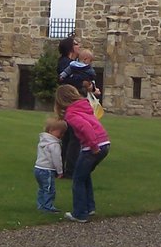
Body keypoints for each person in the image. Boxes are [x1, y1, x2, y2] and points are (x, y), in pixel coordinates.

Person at [54, 84, 110, 223]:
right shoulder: (84, 107)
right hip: (105, 143)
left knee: (77, 179)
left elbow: (86, 128)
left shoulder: (71, 114)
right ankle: (89, 207)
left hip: (93, 146)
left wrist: (93, 145)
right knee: (85, 176)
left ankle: (80, 213)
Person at [56, 36, 82, 176]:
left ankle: (63, 168)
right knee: (73, 137)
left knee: (69, 137)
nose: (79, 46)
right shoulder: (65, 63)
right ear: (70, 48)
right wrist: (83, 82)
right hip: (69, 104)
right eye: (76, 44)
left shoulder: (72, 63)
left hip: (72, 104)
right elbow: (66, 79)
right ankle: (69, 170)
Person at [34, 117, 67, 213]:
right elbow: (57, 159)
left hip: (38, 168)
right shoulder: (54, 144)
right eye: (60, 132)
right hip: (47, 170)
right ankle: (47, 207)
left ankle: (41, 205)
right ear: (51, 130)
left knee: (42, 188)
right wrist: (60, 171)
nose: (62, 135)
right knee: (49, 189)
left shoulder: (43, 141)